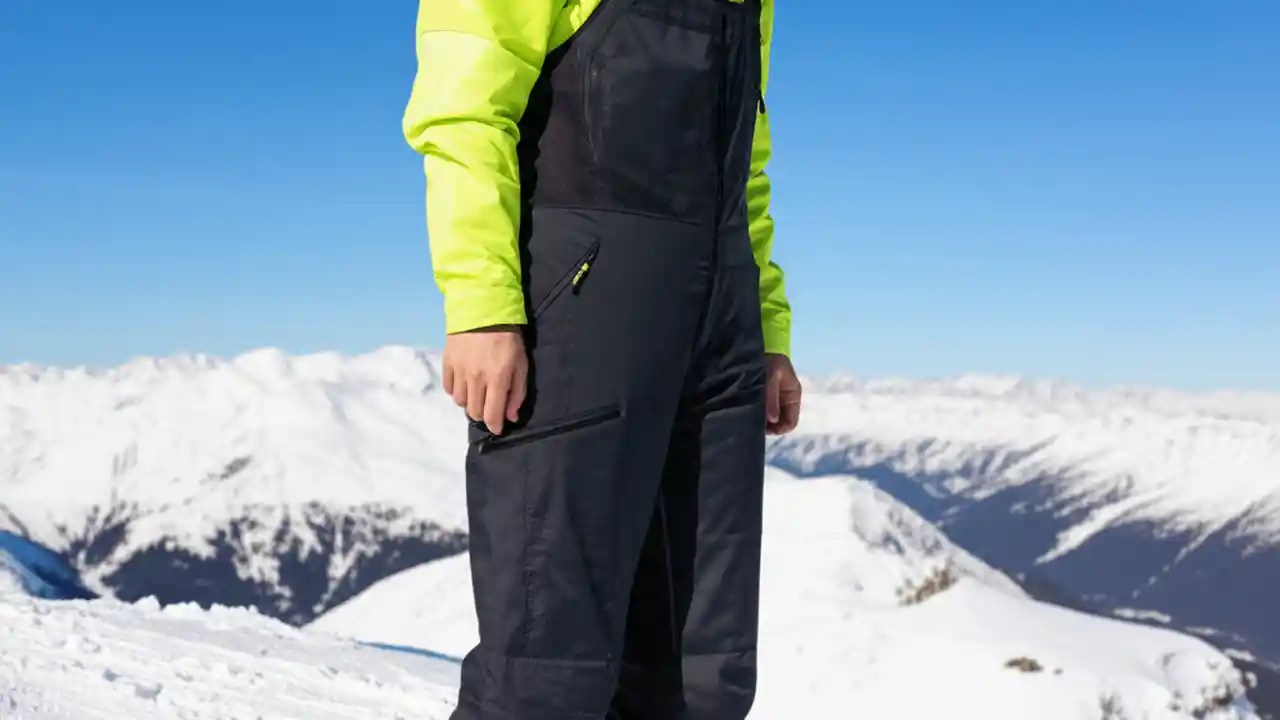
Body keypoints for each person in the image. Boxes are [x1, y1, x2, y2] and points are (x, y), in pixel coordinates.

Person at [404, 0, 801, 717]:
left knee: (702, 674)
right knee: (547, 670)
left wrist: (766, 325)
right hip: (583, 307)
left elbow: (747, 164)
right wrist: (482, 306)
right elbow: (464, 105)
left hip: (721, 329)